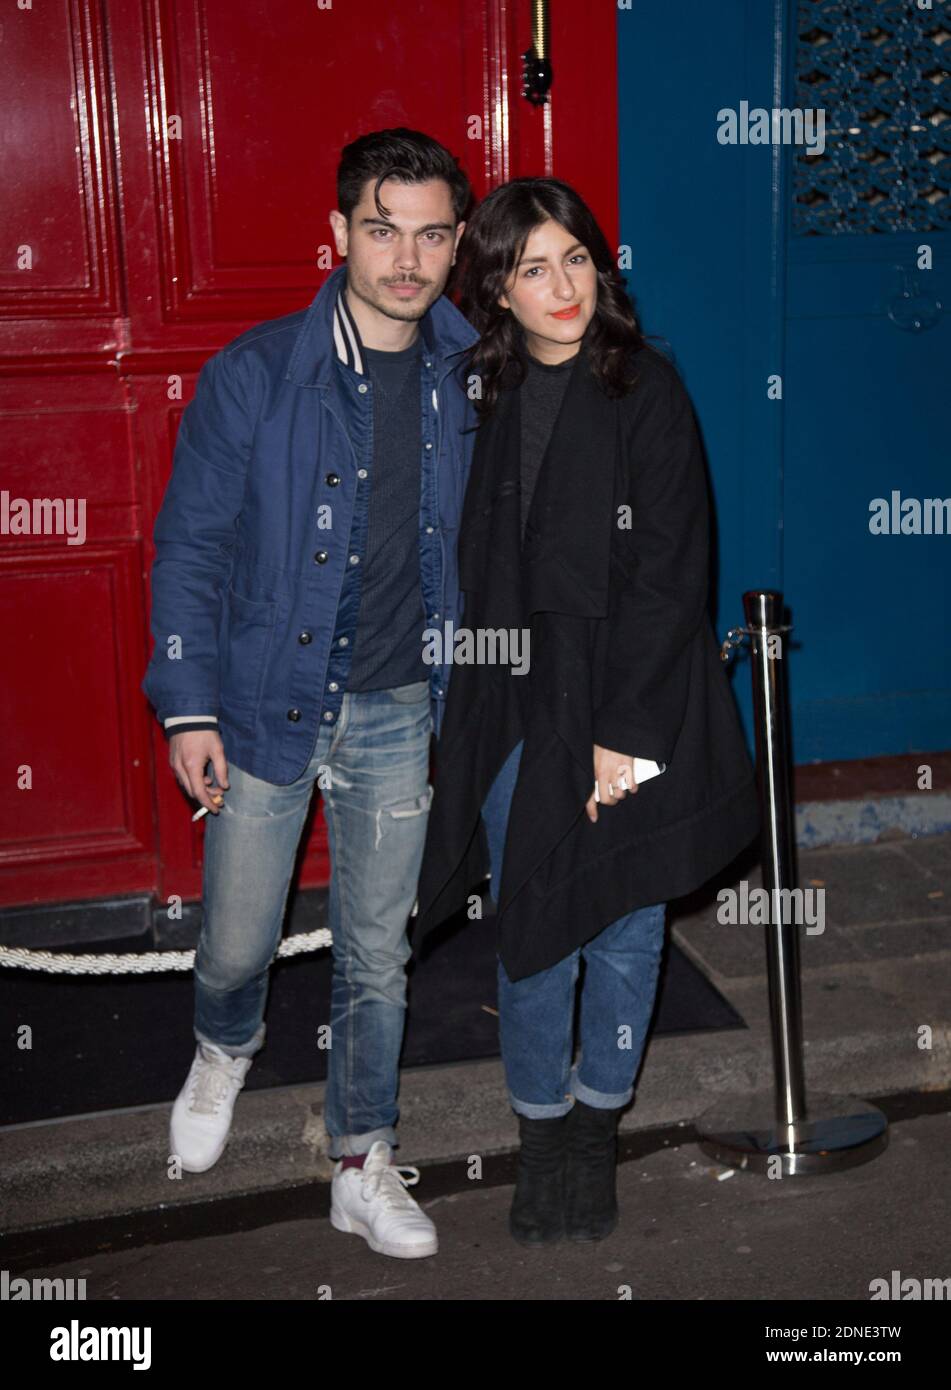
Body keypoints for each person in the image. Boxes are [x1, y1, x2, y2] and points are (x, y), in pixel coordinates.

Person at [141, 128, 479, 1260]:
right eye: (383, 229)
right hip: (265, 700)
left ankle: (360, 1157)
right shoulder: (258, 372)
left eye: (432, 234)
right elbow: (188, 545)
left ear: (457, 244)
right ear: (339, 235)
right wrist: (188, 703)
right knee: (237, 940)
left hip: (398, 707)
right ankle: (223, 1047)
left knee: (378, 949)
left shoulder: (472, 376)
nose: (406, 257)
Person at [413, 176, 761, 1246]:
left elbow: (672, 573)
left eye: (576, 259)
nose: (561, 285)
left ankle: (597, 1129)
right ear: (499, 292)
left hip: (630, 699)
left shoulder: (644, 388)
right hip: (519, 699)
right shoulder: (480, 390)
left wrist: (630, 736)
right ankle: (542, 1131)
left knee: (624, 922)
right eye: (533, 267)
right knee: (534, 930)